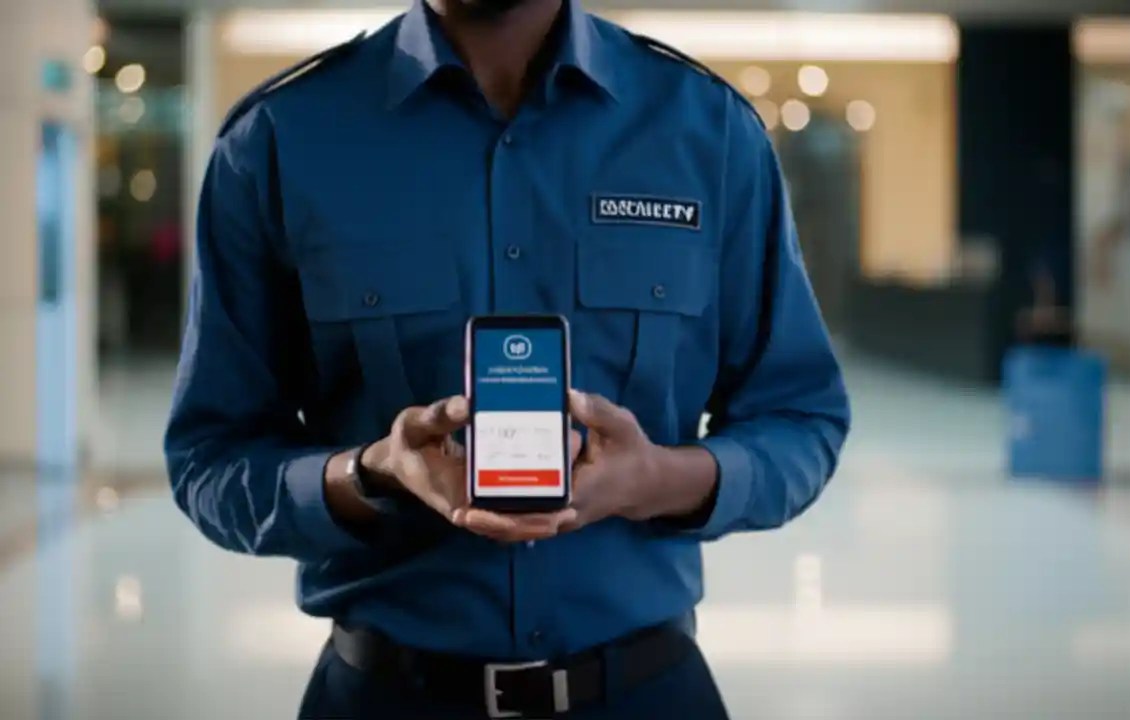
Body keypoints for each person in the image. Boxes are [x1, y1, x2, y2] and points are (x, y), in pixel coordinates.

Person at [164, 0, 850, 717]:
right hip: (384, 696)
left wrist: (657, 479)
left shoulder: (707, 131)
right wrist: (369, 476)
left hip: (649, 692)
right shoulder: (281, 138)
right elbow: (210, 458)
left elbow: (802, 419)